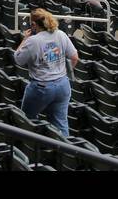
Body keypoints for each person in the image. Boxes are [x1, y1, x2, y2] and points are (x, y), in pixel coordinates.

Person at [13, 8, 77, 137]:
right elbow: (75, 57)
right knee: (60, 123)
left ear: (34, 25)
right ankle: (64, 154)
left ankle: (33, 148)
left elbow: (18, 59)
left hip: (41, 88)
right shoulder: (61, 34)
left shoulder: (32, 41)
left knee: (27, 120)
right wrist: (62, 73)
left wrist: (24, 39)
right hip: (63, 85)